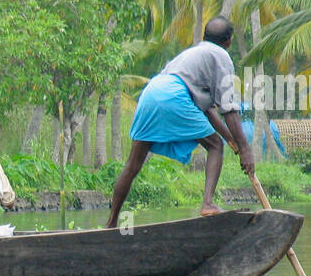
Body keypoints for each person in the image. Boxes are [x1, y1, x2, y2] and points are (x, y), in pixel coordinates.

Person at [106, 17, 254, 228]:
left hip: (151, 92)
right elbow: (228, 109)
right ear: (229, 41)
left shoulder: (192, 53)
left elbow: (208, 109)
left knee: (133, 164)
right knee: (215, 146)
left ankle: (111, 223)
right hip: (174, 95)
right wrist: (246, 149)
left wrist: (232, 140)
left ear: (205, 36)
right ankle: (208, 203)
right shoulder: (221, 56)